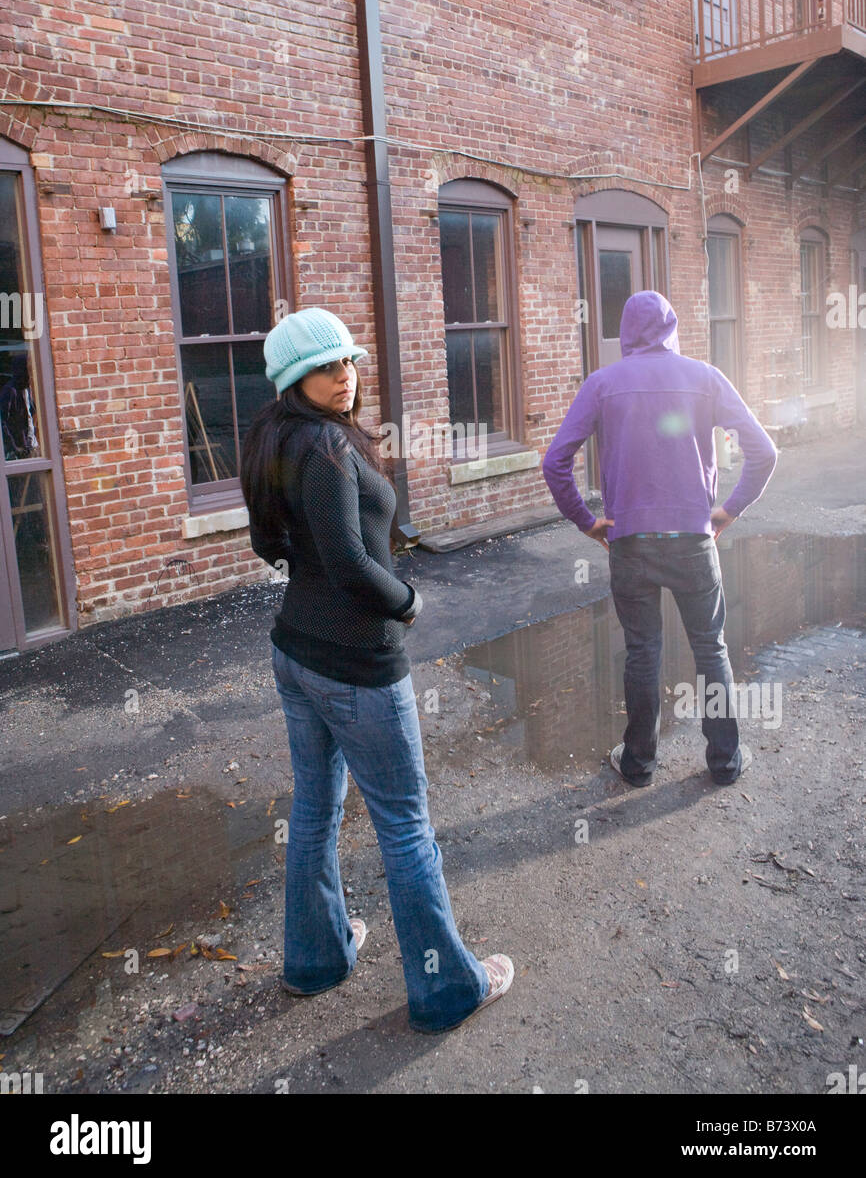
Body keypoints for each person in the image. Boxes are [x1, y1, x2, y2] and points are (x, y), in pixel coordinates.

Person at [241, 307, 512, 1032]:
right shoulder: (325, 446)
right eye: (328, 368)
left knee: (315, 810)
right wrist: (409, 601)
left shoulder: (278, 437)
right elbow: (351, 564)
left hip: (296, 652)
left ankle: (315, 959)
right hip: (355, 664)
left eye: (350, 362)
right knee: (404, 825)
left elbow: (281, 546)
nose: (347, 375)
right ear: (295, 378)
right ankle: (447, 989)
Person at [543, 290, 778, 787]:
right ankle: (725, 762)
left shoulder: (603, 383)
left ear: (626, 332)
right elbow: (764, 451)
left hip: (631, 543)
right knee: (710, 649)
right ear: (672, 328)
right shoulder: (705, 378)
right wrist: (730, 510)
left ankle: (638, 764)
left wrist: (586, 521)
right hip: (694, 540)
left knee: (643, 650)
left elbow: (554, 461)